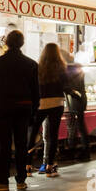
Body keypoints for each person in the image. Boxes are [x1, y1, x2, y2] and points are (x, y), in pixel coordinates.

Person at [0, 30, 40, 191]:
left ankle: (2, 181)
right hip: (24, 109)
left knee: (4, 146)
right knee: (21, 145)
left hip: (4, 108)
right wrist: (33, 112)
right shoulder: (31, 64)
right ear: (22, 43)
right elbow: (36, 92)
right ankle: (21, 180)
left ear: (6, 43)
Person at [32, 43, 68, 176]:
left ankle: (30, 165)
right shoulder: (61, 67)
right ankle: (49, 165)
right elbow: (66, 84)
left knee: (42, 134)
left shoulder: (38, 67)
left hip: (41, 103)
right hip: (57, 103)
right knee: (52, 135)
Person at [63, 50, 91, 162]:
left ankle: (73, 151)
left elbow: (67, 86)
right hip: (80, 98)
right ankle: (84, 151)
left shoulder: (67, 69)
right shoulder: (77, 67)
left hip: (75, 100)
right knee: (79, 125)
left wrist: (70, 93)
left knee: (74, 126)